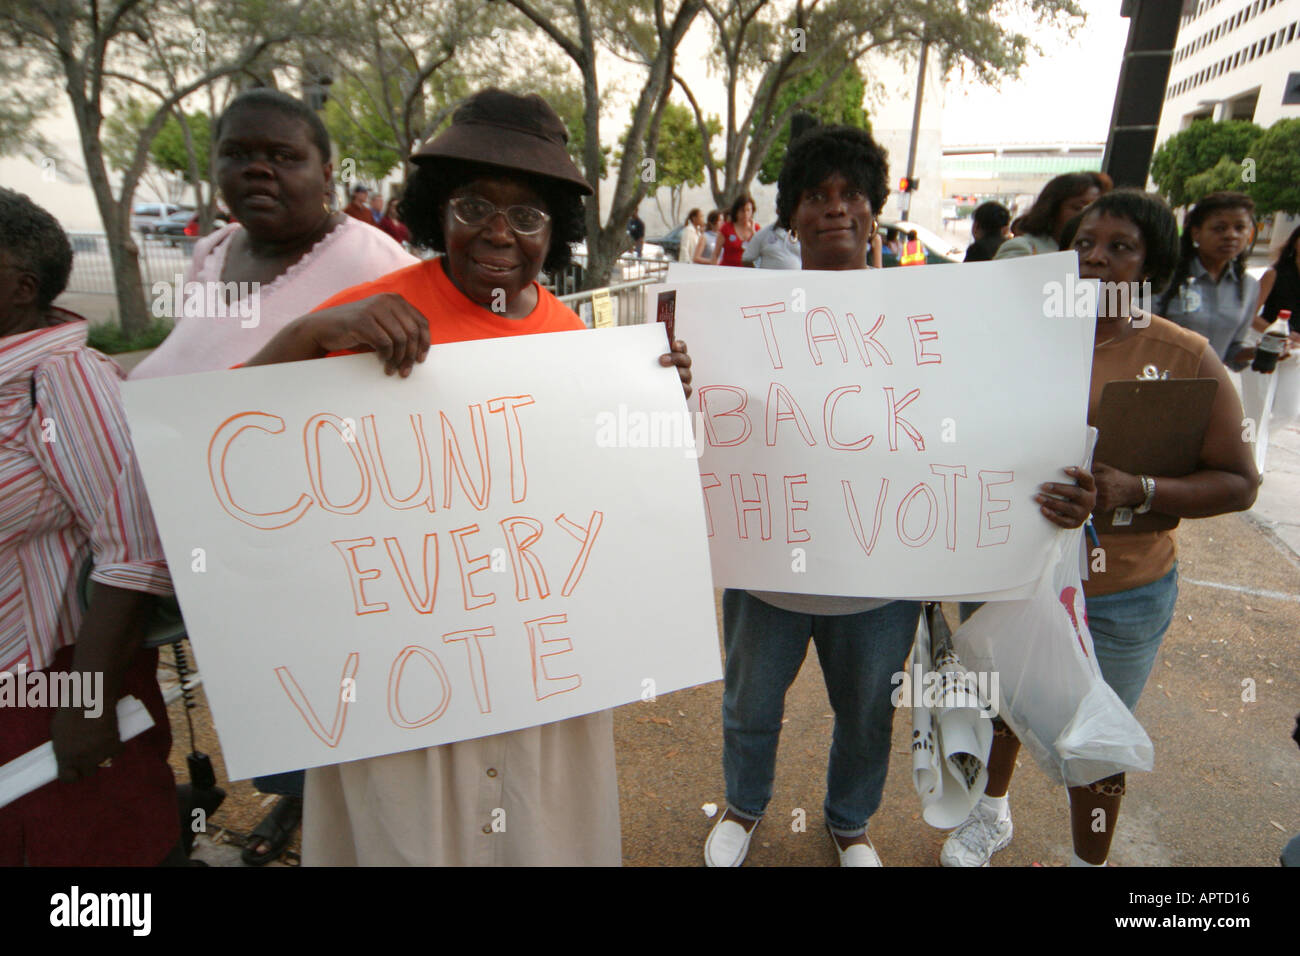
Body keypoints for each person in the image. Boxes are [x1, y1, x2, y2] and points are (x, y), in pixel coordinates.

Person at [243, 88, 692, 866]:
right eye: (474, 204)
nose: (497, 231)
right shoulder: (364, 313)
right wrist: (311, 331)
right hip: (401, 683)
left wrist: (655, 408)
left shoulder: (572, 338)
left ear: (554, 230)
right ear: (434, 209)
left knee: (537, 835)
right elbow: (228, 441)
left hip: (534, 676)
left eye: (527, 216)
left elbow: (600, 502)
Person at [702, 125, 1095, 868]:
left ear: (873, 208)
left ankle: (850, 824)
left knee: (868, 716)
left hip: (880, 581)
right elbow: (709, 415)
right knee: (750, 709)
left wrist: (1049, 477)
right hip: (768, 575)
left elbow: (991, 418)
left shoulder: (931, 317)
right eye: (816, 196)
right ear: (790, 216)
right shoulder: (739, 316)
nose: (835, 209)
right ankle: (744, 806)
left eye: (851, 194)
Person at [129, 88, 416, 862]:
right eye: (238, 153)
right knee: (252, 681)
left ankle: (332, 817)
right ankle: (294, 800)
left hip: (306, 537)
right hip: (205, 532)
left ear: (327, 172)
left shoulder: (372, 262)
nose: (258, 169)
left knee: (320, 683)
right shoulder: (213, 251)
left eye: (284, 156)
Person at [941, 190, 1259, 867]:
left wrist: (1135, 490)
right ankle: (989, 815)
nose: (1096, 259)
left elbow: (1238, 481)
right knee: (1003, 708)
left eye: (1120, 248)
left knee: (1096, 734)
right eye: (1085, 243)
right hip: (1011, 573)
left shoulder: (1185, 356)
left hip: (1122, 591)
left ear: (1153, 264)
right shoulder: (1018, 339)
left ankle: (1090, 858)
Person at [0, 188, 180, 866]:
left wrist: (86, 703)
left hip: (52, 690)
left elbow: (135, 548)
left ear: (20, 287)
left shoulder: (65, 379)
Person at [1158, 192, 1259, 368]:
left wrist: (1261, 352)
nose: (1231, 235)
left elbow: (1231, 352)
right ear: (1196, 233)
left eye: (1240, 228)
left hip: (1207, 386)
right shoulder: (1165, 276)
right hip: (1157, 380)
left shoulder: (1248, 286)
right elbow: (1138, 334)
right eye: (1219, 228)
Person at [994, 172, 1111, 260]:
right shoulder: (1024, 249)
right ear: (1052, 209)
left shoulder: (1098, 257)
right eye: (1079, 208)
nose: (1087, 216)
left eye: (1096, 210)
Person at [1256, 224, 1300, 336]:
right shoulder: (1273, 274)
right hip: (1272, 342)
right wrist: (1282, 334)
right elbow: (1250, 316)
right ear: (1295, 242)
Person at [715, 194, 758, 267]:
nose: (745, 214)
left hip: (748, 271)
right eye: (742, 210)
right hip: (728, 269)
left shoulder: (756, 228)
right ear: (736, 211)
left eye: (748, 210)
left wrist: (753, 232)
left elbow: (760, 250)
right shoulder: (726, 228)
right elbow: (716, 254)